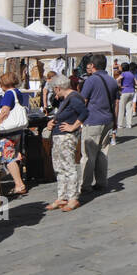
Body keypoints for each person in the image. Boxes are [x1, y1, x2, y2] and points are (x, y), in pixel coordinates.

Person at [45, 75, 88, 212]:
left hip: (66, 137)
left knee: (68, 167)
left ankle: (72, 198)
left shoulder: (74, 98)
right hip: (59, 136)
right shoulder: (67, 99)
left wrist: (73, 126)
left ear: (58, 88)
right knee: (59, 167)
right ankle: (62, 196)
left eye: (54, 90)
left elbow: (84, 113)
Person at [79, 54, 118, 192]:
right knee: (102, 153)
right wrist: (116, 120)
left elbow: (83, 101)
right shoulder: (112, 80)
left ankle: (86, 184)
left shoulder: (91, 81)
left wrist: (78, 120)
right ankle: (102, 182)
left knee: (89, 154)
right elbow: (115, 103)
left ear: (93, 65)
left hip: (92, 120)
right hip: (108, 119)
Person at [0, 72, 28, 187]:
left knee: (9, 157)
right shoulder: (17, 92)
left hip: (7, 132)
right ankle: (18, 181)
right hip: (17, 130)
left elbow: (5, 111)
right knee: (14, 155)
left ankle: (19, 184)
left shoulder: (8, 94)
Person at [117, 62, 137, 129]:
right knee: (129, 109)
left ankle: (120, 124)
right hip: (131, 91)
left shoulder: (123, 73)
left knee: (121, 109)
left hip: (124, 91)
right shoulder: (131, 74)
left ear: (123, 67)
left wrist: (120, 86)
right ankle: (129, 124)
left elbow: (117, 79)